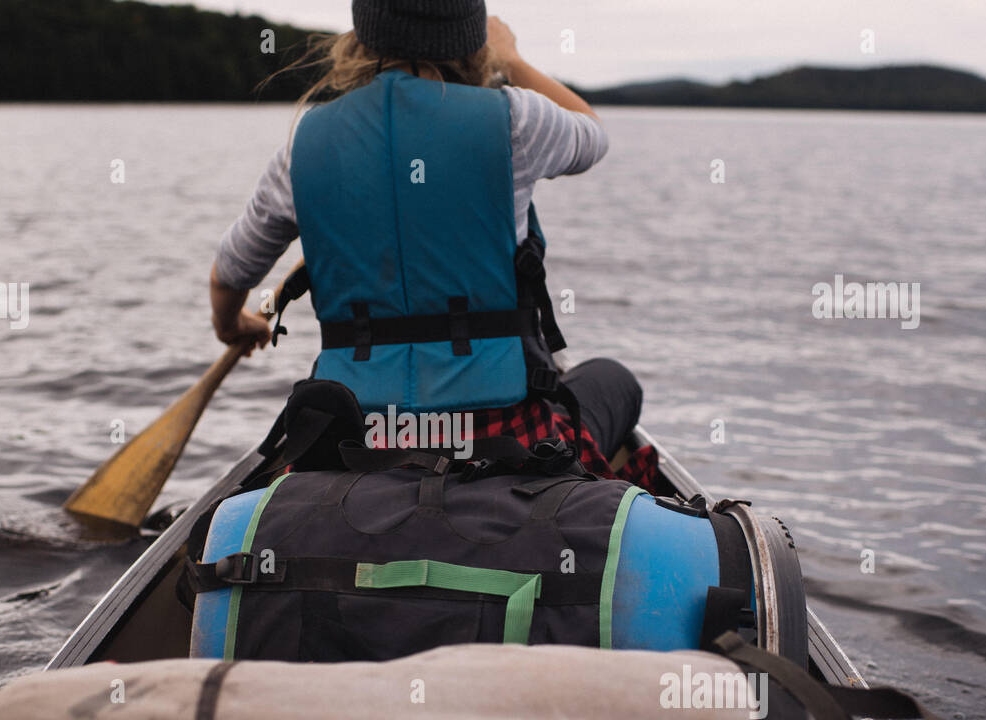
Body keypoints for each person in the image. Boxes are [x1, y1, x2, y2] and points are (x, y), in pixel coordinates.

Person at [209, 1, 656, 486]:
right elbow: (592, 134)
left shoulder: (303, 146)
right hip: (497, 433)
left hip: (361, 434)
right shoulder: (516, 120)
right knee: (614, 381)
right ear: (470, 40)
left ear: (364, 36)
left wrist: (233, 322)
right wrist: (513, 62)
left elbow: (230, 274)